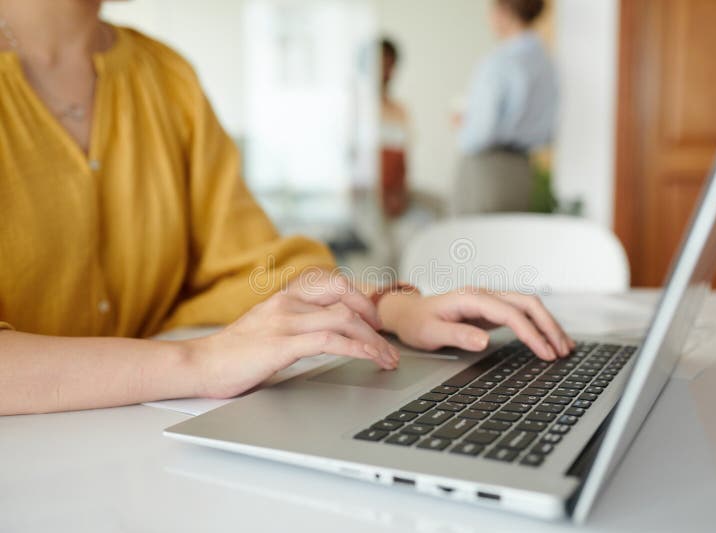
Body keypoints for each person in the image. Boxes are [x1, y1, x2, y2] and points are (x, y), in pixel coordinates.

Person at [0, 0, 573, 416]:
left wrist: (391, 313)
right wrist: (202, 364)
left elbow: (249, 263)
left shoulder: (167, 77)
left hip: (137, 451)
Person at [452, 0, 557, 215]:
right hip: (523, 172)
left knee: (468, 243)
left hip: (487, 171)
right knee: (509, 242)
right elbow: (549, 128)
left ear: (504, 12)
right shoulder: (547, 64)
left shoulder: (499, 63)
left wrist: (463, 125)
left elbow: (480, 132)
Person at [379, 37, 410, 218]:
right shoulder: (358, 110)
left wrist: (400, 193)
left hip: (396, 194)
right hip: (368, 197)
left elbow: (403, 158)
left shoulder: (399, 110)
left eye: (390, 65)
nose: (386, 71)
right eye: (382, 64)